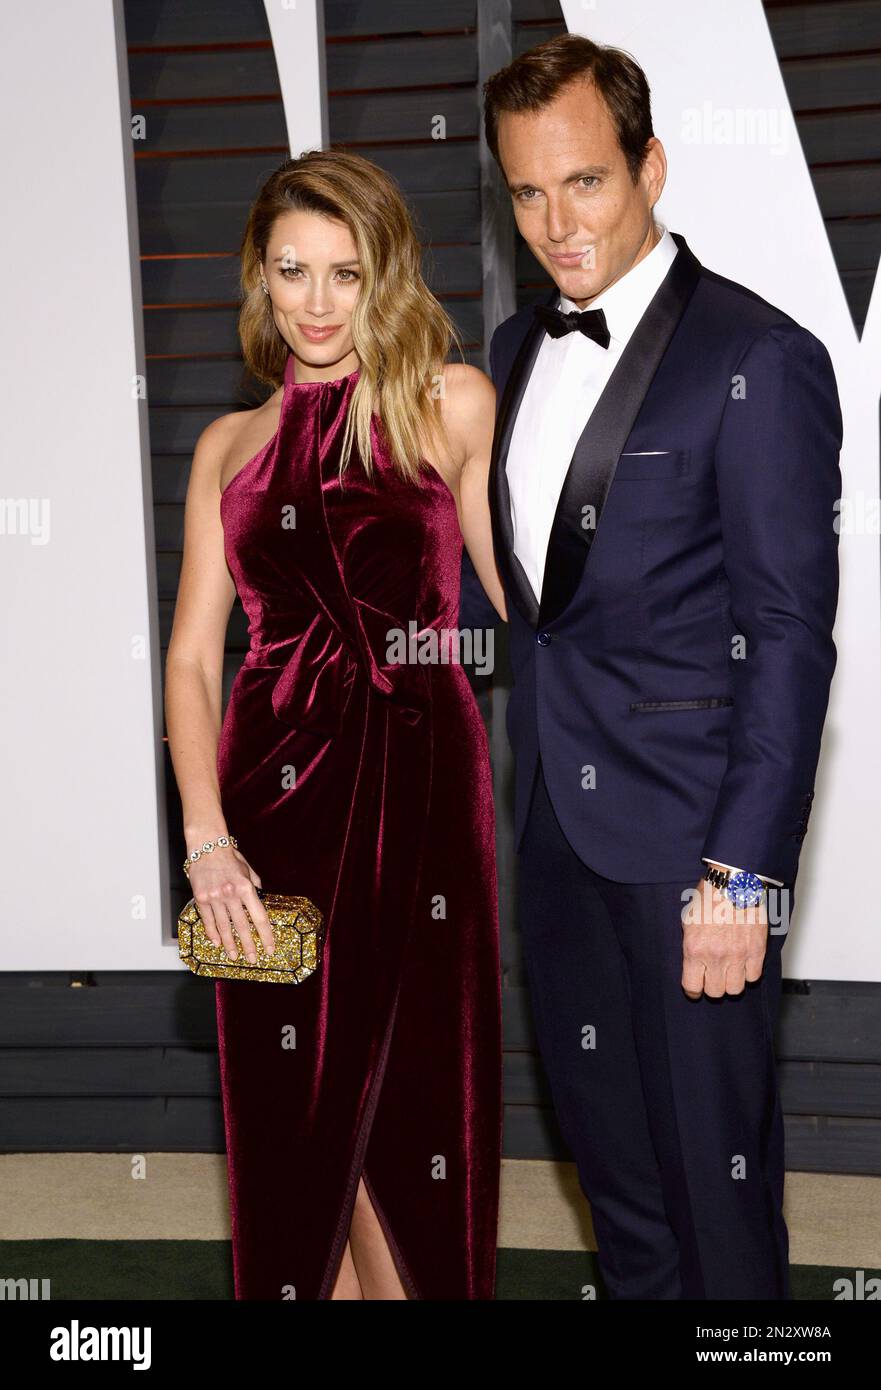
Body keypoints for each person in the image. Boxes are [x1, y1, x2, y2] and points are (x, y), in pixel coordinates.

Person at [460, 33, 842, 1299]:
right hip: (557, 847)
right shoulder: (511, 355)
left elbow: (788, 635)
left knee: (718, 1209)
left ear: (651, 167)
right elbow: (514, 602)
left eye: (584, 182)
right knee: (617, 1198)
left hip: (694, 856)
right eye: (525, 192)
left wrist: (743, 871)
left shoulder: (756, 357)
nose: (555, 222)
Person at [165, 150, 506, 1300]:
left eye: (344, 273)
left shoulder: (447, 403)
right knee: (302, 1128)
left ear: (384, 277)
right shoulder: (228, 448)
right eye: (291, 270)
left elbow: (522, 606)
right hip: (270, 813)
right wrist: (209, 839)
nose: (316, 302)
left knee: (409, 1107)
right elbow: (190, 663)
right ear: (260, 280)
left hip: (421, 793)